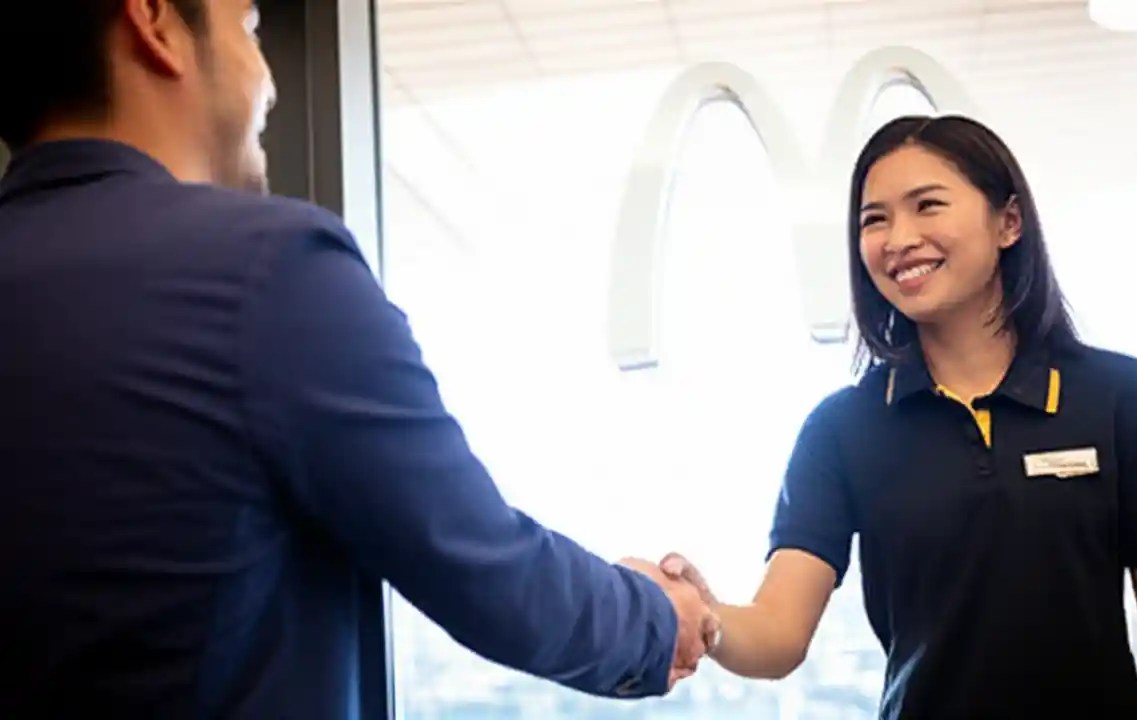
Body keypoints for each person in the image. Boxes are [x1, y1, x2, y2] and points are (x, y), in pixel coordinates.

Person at [0, 2, 716, 718]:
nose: (270, 83)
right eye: (248, 29)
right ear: (155, 22)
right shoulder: (265, 269)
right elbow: (486, 568)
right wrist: (658, 618)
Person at [660, 115, 1137, 719]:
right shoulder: (842, 430)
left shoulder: (1120, 395)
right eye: (874, 219)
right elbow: (778, 636)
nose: (897, 238)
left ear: (1008, 222)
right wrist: (707, 617)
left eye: (926, 205)